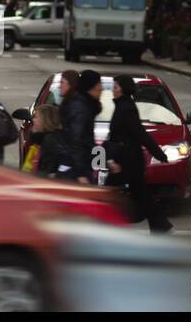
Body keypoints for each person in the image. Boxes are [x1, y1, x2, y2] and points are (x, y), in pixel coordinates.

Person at [105, 74, 172, 233]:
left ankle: (161, 226)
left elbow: (140, 133)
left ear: (123, 89)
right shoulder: (123, 105)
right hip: (125, 158)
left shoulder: (126, 108)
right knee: (141, 194)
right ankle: (162, 226)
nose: (113, 91)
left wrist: (158, 153)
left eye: (115, 87)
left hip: (128, 160)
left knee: (115, 192)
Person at [59, 69, 103, 184]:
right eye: (99, 84)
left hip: (78, 165)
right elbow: (75, 140)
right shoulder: (81, 108)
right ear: (92, 86)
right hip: (75, 168)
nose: (101, 88)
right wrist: (81, 173)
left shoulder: (84, 105)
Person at [22, 103, 64, 178]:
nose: (33, 120)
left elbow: (47, 172)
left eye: (36, 117)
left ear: (45, 120)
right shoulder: (39, 140)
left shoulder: (50, 142)